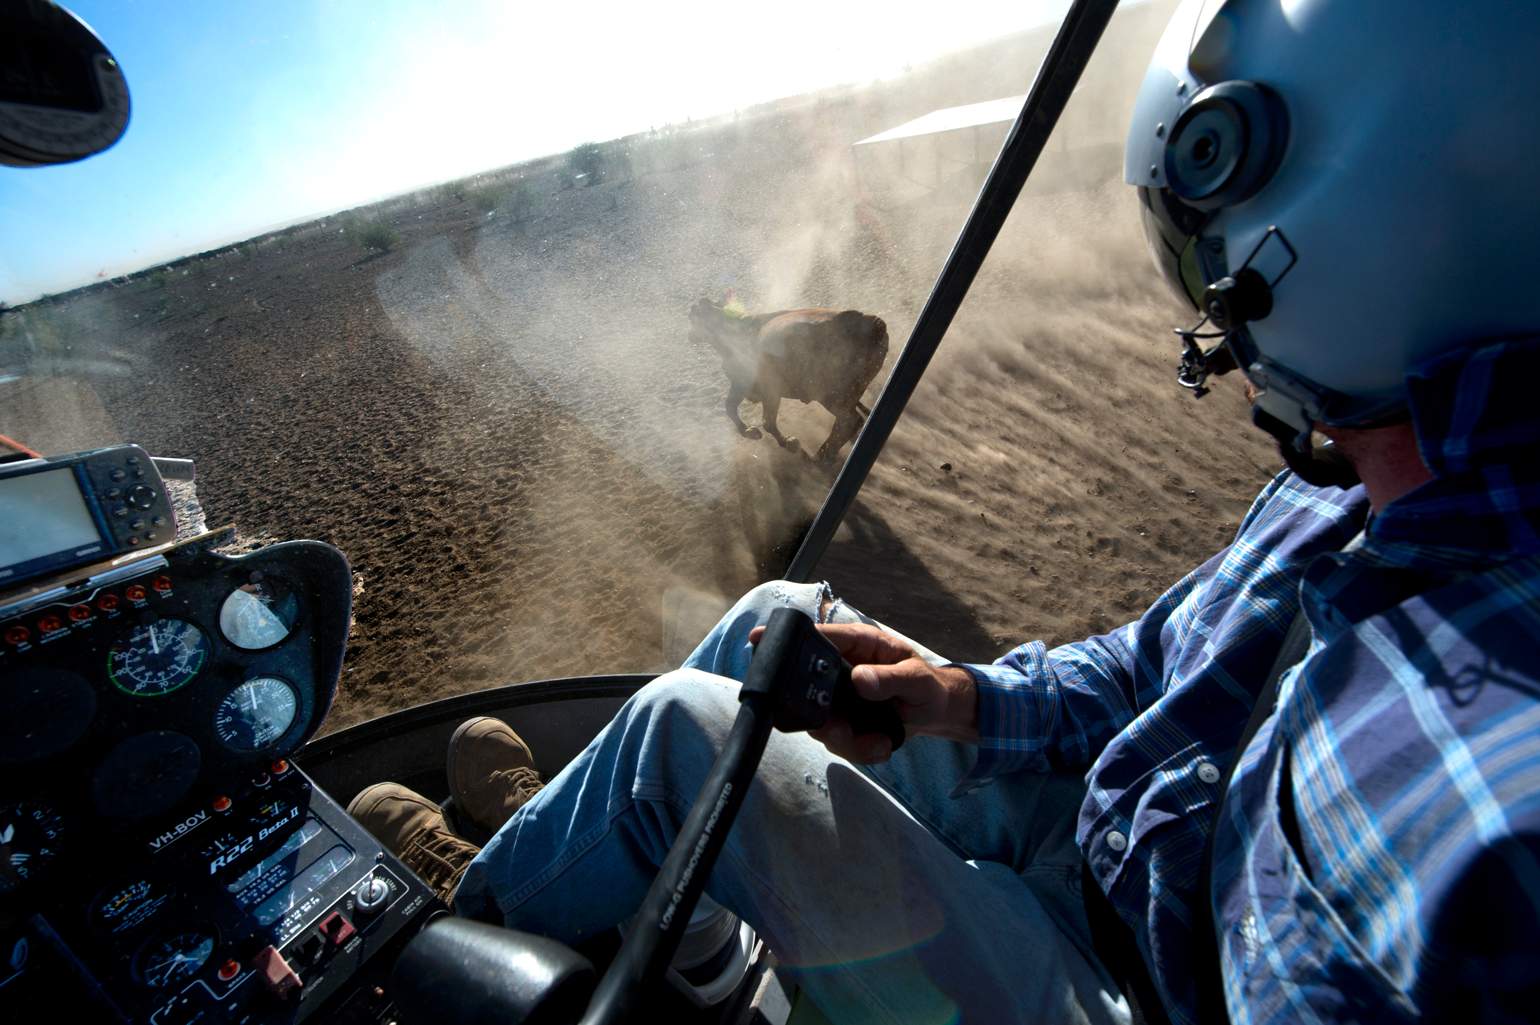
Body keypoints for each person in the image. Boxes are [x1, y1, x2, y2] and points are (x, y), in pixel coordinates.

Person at [349, 1, 1540, 1021]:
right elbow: (1147, 670)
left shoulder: (1494, 808)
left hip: (1117, 973)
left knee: (683, 731)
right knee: (780, 620)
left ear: (1330, 257)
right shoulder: (1348, 492)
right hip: (1114, 823)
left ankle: (464, 927)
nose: (1215, 331)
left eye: (1206, 271)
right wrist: (966, 696)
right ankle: (614, 872)